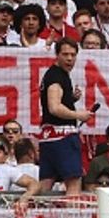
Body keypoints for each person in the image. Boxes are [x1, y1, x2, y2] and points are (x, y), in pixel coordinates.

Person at [37, 38, 95, 192]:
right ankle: (73, 214)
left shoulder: (54, 75)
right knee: (74, 183)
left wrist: (71, 99)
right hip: (63, 136)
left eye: (73, 55)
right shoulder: (56, 76)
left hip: (48, 136)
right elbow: (54, 108)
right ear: (56, 54)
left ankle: (39, 216)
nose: (69, 58)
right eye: (65, 54)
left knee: (45, 185)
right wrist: (78, 115)